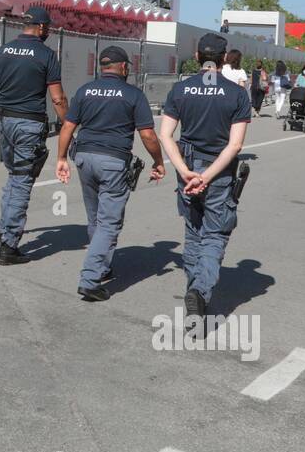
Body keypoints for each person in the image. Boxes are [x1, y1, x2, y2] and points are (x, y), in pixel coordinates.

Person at [55, 46, 165, 302]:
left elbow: (68, 126)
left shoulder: (86, 90)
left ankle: (102, 266)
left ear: (103, 67)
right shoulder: (133, 94)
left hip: (84, 157)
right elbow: (147, 134)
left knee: (95, 217)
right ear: (124, 67)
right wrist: (158, 161)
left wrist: (61, 158)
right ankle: (90, 279)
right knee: (109, 222)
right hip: (113, 162)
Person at [157, 33, 251, 322]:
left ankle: (194, 290)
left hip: (186, 166)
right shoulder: (237, 94)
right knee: (215, 233)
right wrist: (207, 176)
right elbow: (235, 145)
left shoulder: (180, 89)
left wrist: (186, 171)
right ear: (224, 59)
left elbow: (165, 135)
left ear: (197, 56)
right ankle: (199, 291)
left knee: (193, 228)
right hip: (218, 171)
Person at [0, 5, 67, 266]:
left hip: (3, 121)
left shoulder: (3, 51)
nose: (48, 30)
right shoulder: (46, 55)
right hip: (29, 124)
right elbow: (58, 98)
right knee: (22, 181)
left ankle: (4, 232)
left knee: (14, 176)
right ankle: (8, 245)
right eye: (47, 27)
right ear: (40, 27)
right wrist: (69, 125)